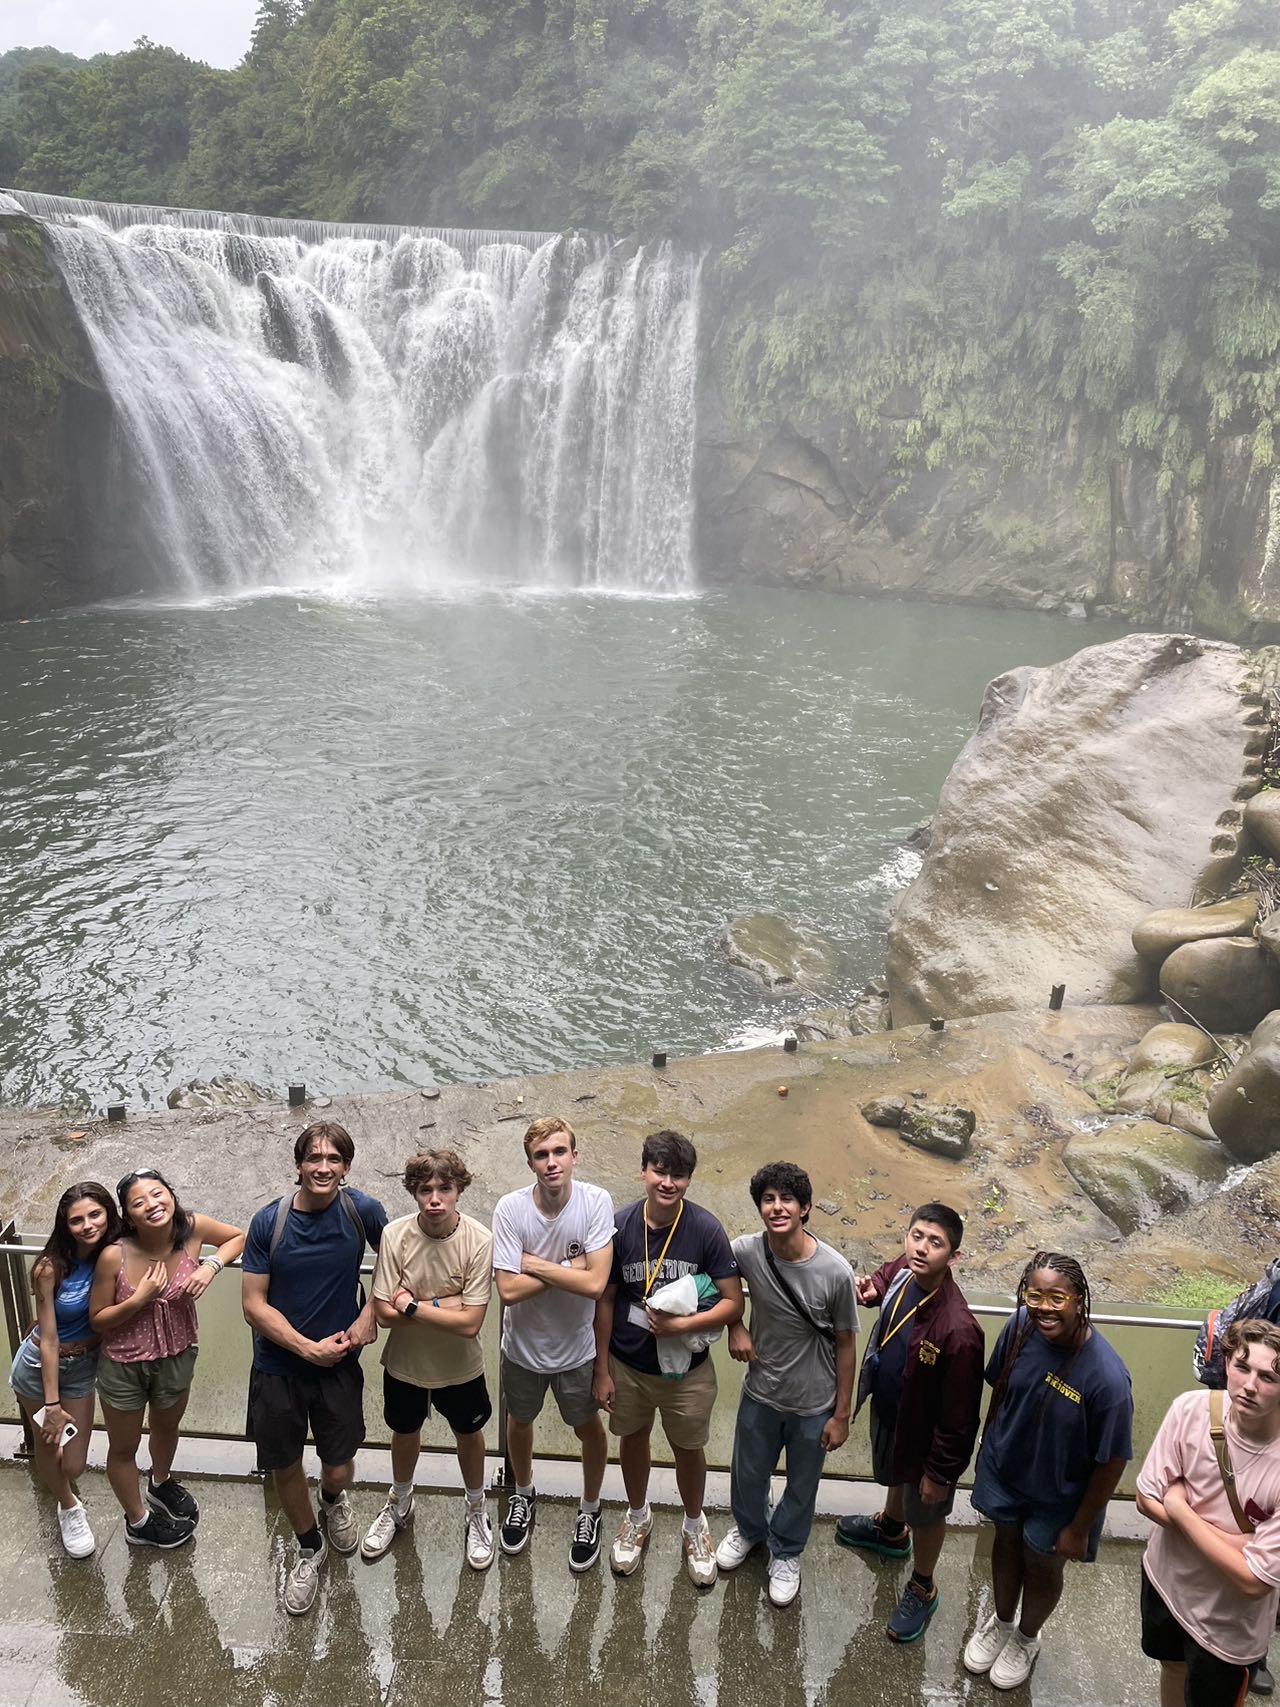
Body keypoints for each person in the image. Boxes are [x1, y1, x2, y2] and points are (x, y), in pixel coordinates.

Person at [962, 1250, 1133, 1690]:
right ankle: (1000, 1622)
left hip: (1059, 1496)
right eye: (1034, 1294)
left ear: (1080, 1300)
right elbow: (999, 1386)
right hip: (1006, 1469)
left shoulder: (1108, 1379)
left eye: (1057, 1298)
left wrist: (1079, 1526)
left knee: (1042, 1564)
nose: (1043, 1307)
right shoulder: (1020, 1327)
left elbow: (1112, 1460)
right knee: (1003, 1543)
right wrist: (986, 1450)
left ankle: (1026, 1636)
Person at [241, 1121, 387, 1614]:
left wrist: (370, 1315)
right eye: (314, 1158)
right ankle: (309, 1546)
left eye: (334, 1159)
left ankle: (331, 1499)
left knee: (340, 1462)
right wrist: (307, 1348)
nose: (323, 1168)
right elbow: (253, 1305)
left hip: (340, 1361)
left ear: (346, 1167)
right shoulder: (269, 1221)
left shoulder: (362, 1210)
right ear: (299, 1164)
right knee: (284, 1463)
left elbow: (394, 1264)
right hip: (279, 1365)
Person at [592, 1128, 743, 1587]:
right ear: (643, 1172)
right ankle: (638, 1516)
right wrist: (601, 1369)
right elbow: (604, 1300)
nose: (668, 1183)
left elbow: (733, 1304)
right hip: (629, 1364)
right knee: (633, 1438)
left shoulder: (705, 1228)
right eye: (660, 1171)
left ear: (689, 1180)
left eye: (679, 1175)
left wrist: (682, 1326)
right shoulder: (618, 1226)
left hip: (688, 1372)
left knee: (688, 1448)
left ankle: (695, 1524)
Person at [834, 1201, 984, 1642]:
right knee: (896, 1474)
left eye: (935, 1243)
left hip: (927, 1431)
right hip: (894, 1406)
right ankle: (892, 1529)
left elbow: (960, 1418)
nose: (921, 1248)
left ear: (953, 1256)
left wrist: (941, 1474)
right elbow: (887, 1273)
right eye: (916, 1236)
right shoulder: (907, 1270)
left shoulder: (959, 1330)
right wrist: (872, 1288)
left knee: (928, 1506)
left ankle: (923, 1582)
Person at [716, 1160, 858, 1607]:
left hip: (813, 1402)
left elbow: (847, 1345)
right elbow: (717, 1279)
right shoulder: (747, 1251)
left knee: (802, 1484)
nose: (777, 1208)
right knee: (748, 1473)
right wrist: (735, 1325)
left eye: (787, 1200)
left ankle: (787, 1551)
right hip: (761, 1390)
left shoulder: (835, 1272)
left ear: (805, 1208)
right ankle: (751, 1530)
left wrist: (841, 1414)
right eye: (768, 1200)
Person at [91, 1167, 245, 1549]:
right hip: (124, 1364)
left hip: (177, 1354)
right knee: (123, 1448)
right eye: (138, 1202)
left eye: (158, 1194)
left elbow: (238, 1237)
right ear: (127, 1216)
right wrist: (139, 1299)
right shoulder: (115, 1255)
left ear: (171, 1195)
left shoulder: (192, 1228)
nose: (152, 1205)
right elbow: (97, 1320)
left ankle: (160, 1482)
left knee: (166, 1427)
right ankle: (138, 1522)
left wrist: (211, 1266)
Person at [360, 1149, 495, 1571]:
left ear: (459, 1191)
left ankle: (476, 1510)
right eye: (425, 1190)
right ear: (414, 1193)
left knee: (469, 1435)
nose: (435, 1198)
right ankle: (399, 1500)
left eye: (444, 1188)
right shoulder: (395, 1235)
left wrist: (414, 1304)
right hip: (405, 1364)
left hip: (461, 1366)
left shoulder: (479, 1239)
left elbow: (471, 1323)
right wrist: (448, 1305)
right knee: (404, 1431)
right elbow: (382, 1314)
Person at [490, 1116, 614, 1570]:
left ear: (574, 1156)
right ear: (530, 1163)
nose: (552, 1162)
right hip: (521, 1348)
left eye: (559, 1152)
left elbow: (598, 1285)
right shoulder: (510, 1209)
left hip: (578, 1351)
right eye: (542, 1155)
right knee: (520, 1422)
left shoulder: (596, 1201)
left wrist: (534, 1265)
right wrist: (570, 1269)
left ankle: (591, 1506)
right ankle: (523, 1493)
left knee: (587, 1428)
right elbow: (507, 1291)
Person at [1138, 1319, 1280, 1707]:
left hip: (1228, 1622)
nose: (1250, 1386)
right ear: (1227, 1362)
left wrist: (1180, 1509)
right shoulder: (1190, 1409)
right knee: (1172, 1667)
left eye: (1269, 1377)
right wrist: (1237, 1542)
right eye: (1243, 1367)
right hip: (1167, 1583)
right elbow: (1146, 1496)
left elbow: (1254, 1582)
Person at [9, 1182, 121, 1557]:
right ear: (64, 1224)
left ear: (109, 1213)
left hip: (83, 1367)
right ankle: (69, 1508)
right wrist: (53, 1403)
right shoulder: (49, 1268)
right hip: (39, 1366)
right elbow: (50, 1338)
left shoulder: (118, 1252)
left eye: (95, 1214)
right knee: (49, 1443)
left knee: (72, 1462)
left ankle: (64, 1488)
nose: (88, 1225)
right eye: (77, 1220)